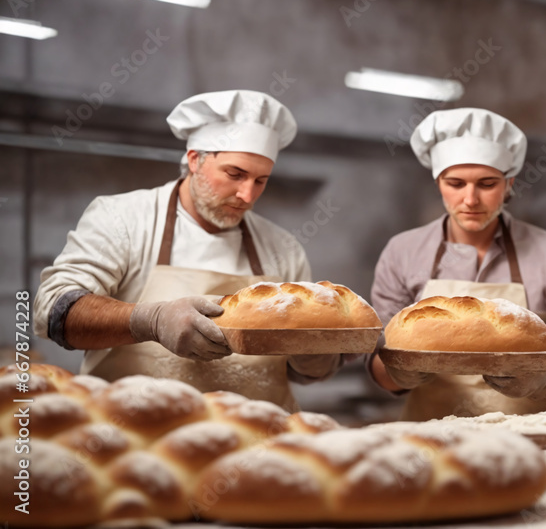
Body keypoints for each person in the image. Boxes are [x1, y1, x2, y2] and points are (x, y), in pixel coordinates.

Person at [34, 90, 340, 411]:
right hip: (134, 429)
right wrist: (150, 321)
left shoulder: (283, 248)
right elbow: (54, 311)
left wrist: (316, 354)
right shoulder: (121, 218)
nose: (247, 195)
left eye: (260, 180)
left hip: (256, 432)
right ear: (195, 159)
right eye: (235, 174)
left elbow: (300, 372)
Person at [368, 107, 546, 421]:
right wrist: (399, 372)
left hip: (532, 437)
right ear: (438, 182)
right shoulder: (403, 251)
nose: (470, 199)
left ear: (509, 183)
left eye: (487, 184)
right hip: (434, 437)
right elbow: (378, 361)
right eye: (456, 184)